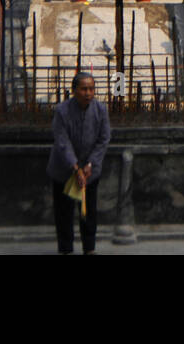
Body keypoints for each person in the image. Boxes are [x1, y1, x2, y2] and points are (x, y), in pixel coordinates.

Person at [46, 71, 111, 254]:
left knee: (88, 213)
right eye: (84, 89)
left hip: (90, 172)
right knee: (64, 213)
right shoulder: (62, 111)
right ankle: (65, 249)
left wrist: (90, 165)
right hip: (64, 170)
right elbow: (62, 141)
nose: (88, 93)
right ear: (74, 90)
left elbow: (103, 139)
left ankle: (89, 249)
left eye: (91, 89)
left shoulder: (100, 109)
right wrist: (75, 168)